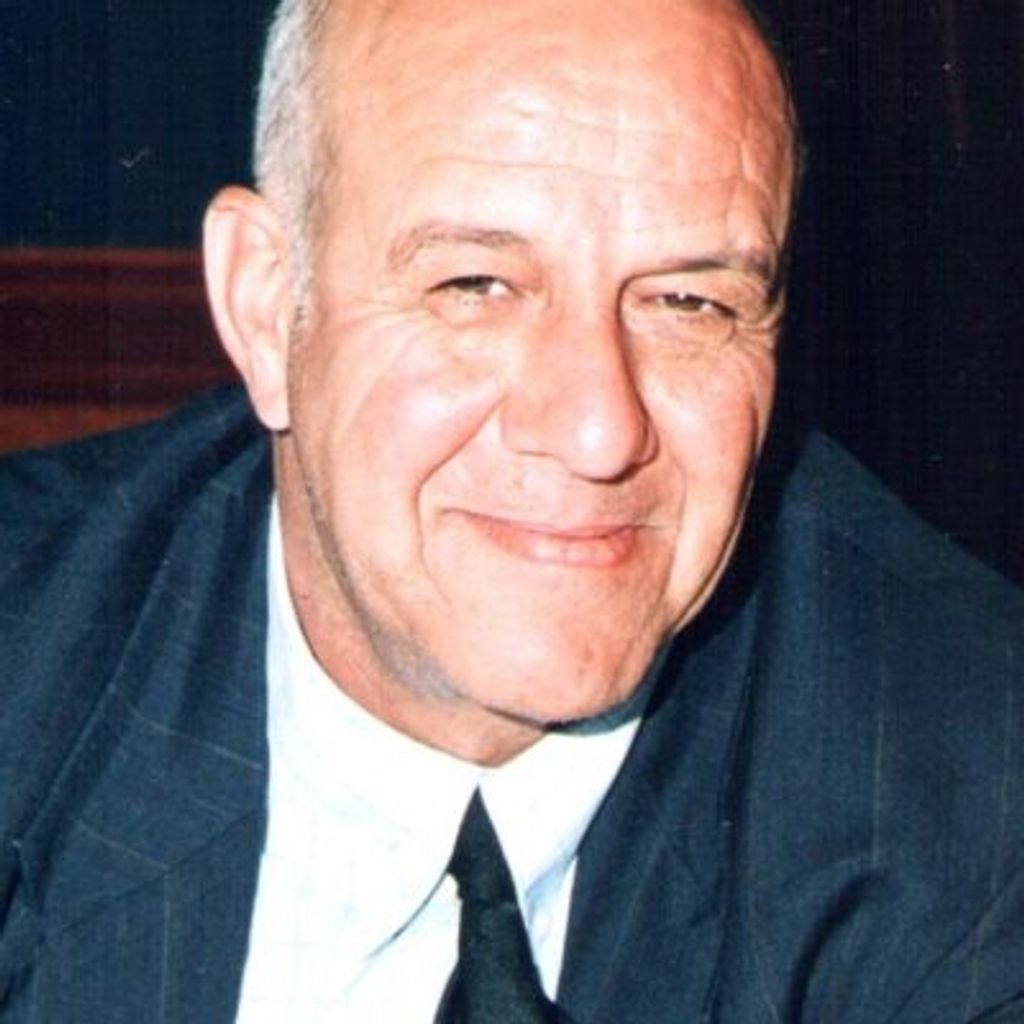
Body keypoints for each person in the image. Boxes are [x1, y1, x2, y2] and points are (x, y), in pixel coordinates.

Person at [1, 0, 1022, 1020]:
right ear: (268, 309)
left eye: (688, 302)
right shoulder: (29, 660)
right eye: (477, 285)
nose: (598, 431)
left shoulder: (973, 793)